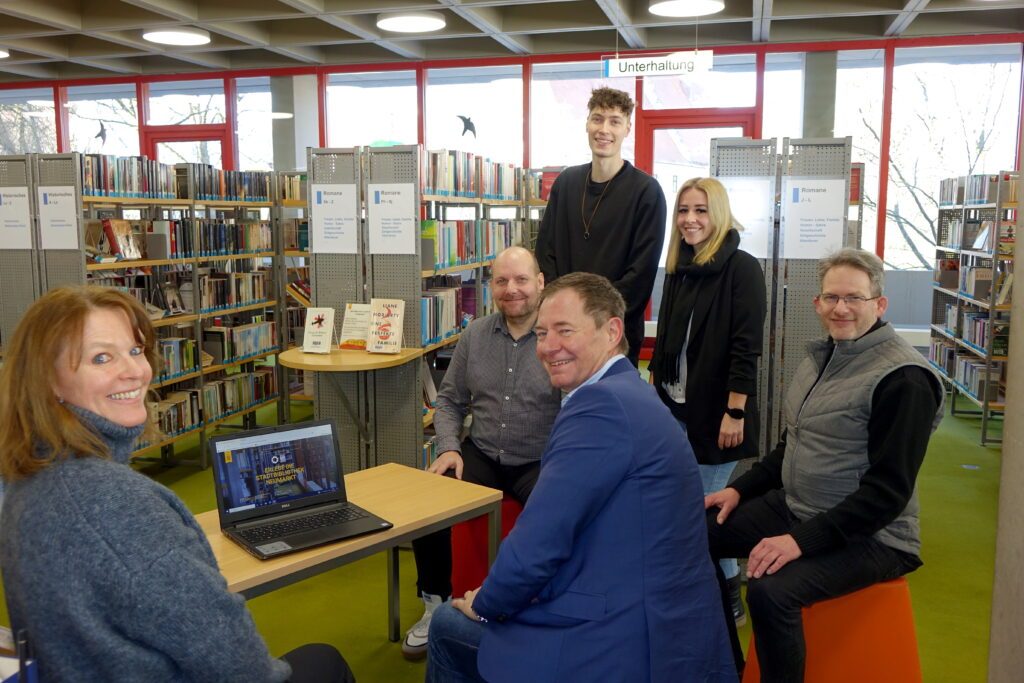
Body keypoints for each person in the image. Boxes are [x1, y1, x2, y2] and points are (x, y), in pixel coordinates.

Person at [0, 286, 354, 683]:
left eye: (135, 350)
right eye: (101, 357)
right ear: (47, 380)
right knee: (324, 662)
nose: (135, 371)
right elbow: (236, 663)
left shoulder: (23, 481)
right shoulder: (115, 502)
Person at [426, 272, 736, 683]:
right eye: (541, 333)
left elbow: (541, 540)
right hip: (665, 613)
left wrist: (487, 602)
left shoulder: (600, 407)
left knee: (448, 623)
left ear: (611, 331)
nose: (548, 347)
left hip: (626, 634)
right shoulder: (631, 391)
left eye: (564, 331)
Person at [705, 248, 945, 681]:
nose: (841, 308)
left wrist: (797, 543)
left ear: (879, 304)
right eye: (831, 298)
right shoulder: (825, 356)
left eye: (854, 298)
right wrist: (741, 489)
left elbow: (886, 495)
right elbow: (793, 444)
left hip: (876, 536)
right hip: (802, 505)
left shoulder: (904, 379)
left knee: (769, 591)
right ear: (817, 304)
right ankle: (725, 667)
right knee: (695, 534)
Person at [403, 246, 561, 660]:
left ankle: (543, 611)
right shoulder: (474, 334)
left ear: (540, 282)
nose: (512, 290)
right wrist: (451, 448)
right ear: (492, 286)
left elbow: (578, 406)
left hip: (537, 459)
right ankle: (435, 604)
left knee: (560, 516)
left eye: (521, 280)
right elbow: (451, 400)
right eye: (502, 281)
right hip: (482, 451)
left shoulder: (558, 338)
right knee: (429, 501)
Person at [649, 177, 766, 627]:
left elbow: (746, 346)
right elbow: (669, 340)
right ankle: (712, 587)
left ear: (718, 214)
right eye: (683, 210)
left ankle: (727, 595)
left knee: (703, 510)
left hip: (720, 415)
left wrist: (735, 409)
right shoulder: (681, 266)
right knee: (689, 505)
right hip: (676, 407)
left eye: (700, 210)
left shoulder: (742, 268)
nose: (690, 219)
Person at [534, 86, 666, 367]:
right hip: (562, 334)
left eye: (614, 121)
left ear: (627, 128)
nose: (604, 129)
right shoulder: (566, 183)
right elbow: (546, 254)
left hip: (614, 336)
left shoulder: (646, 192)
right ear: (586, 123)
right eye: (597, 118)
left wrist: (587, 320)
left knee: (607, 408)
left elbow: (640, 276)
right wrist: (566, 318)